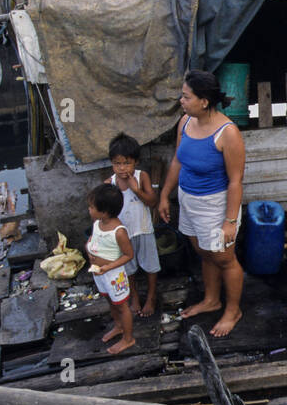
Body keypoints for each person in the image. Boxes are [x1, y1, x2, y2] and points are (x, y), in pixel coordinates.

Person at [159, 70, 246, 338]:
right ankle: (212, 300)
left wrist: (230, 221)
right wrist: (165, 194)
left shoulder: (227, 133)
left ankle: (233, 310)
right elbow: (177, 161)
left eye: (186, 97)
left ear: (204, 101)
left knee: (224, 258)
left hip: (215, 206)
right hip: (189, 200)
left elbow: (235, 181)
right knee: (204, 252)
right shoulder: (185, 122)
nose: (181, 101)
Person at [107, 132, 160, 318]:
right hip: (123, 236)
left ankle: (151, 297)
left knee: (151, 266)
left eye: (126, 163)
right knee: (128, 268)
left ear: (135, 162)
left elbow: (152, 202)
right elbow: (106, 213)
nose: (122, 168)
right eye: (117, 163)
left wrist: (135, 189)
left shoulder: (141, 176)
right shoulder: (110, 183)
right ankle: (135, 296)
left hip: (144, 230)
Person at [86, 183, 136, 355]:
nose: (89, 209)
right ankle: (118, 326)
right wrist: (89, 247)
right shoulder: (97, 223)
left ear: (105, 211)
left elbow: (128, 255)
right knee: (110, 301)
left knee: (122, 306)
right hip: (99, 273)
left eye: (92, 207)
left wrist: (108, 267)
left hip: (113, 275)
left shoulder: (119, 231)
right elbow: (94, 238)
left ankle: (128, 339)